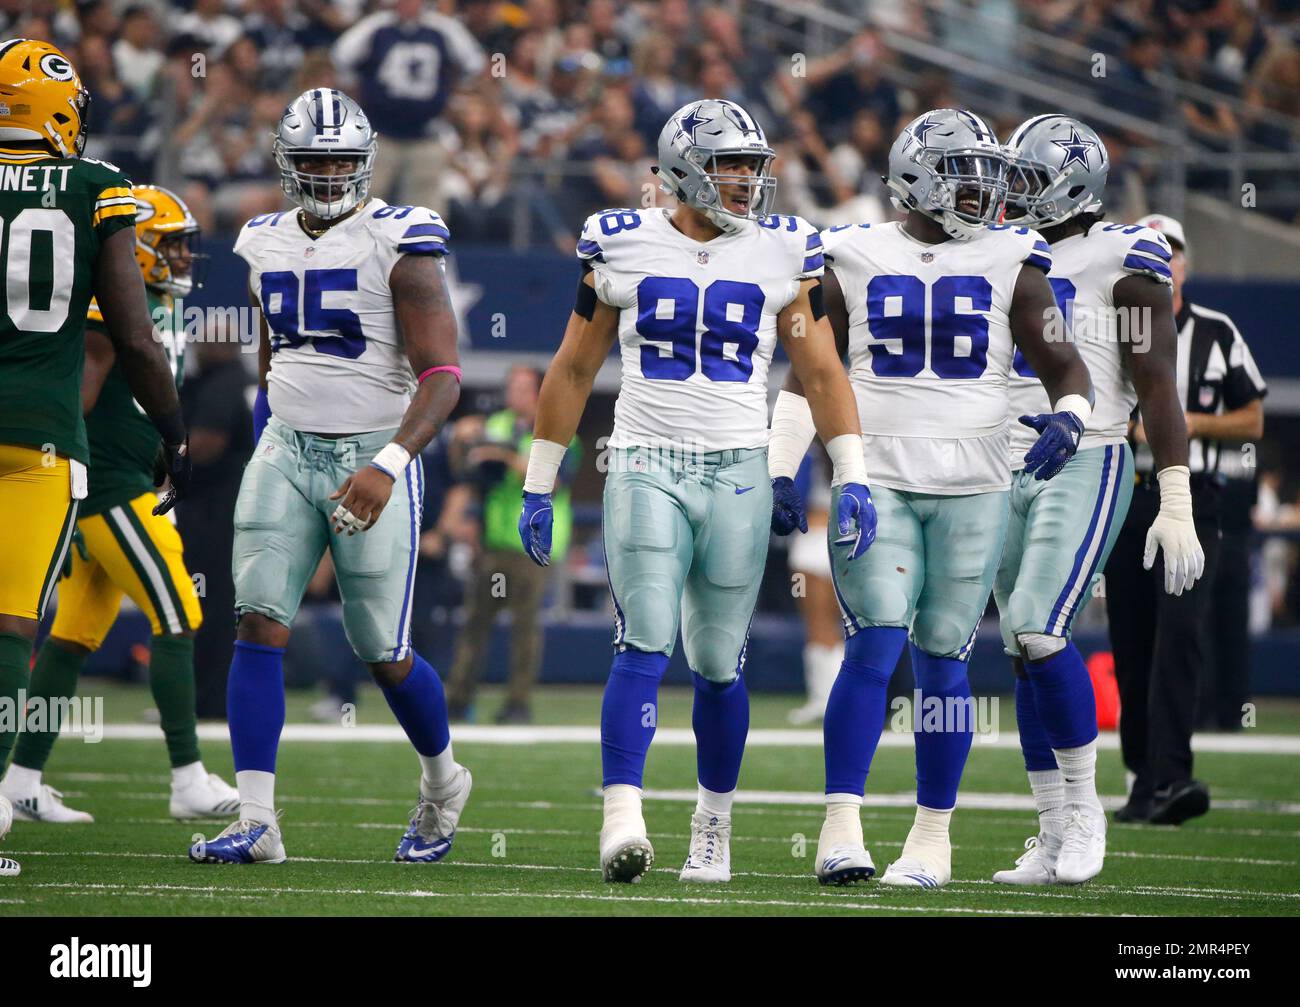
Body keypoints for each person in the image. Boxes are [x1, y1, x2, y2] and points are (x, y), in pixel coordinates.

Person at [518, 98, 875, 884]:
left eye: (752, 165)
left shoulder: (784, 249)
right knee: (644, 634)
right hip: (645, 460)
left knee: (718, 662)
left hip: (740, 469)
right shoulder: (623, 243)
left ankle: (712, 826)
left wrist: (848, 469)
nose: (747, 181)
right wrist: (541, 481)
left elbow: (818, 369)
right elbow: (574, 367)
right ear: (683, 168)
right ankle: (622, 815)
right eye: (729, 165)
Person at [771, 108, 1095, 889]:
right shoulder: (849, 252)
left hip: (975, 487)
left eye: (989, 173)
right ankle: (841, 825)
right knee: (877, 645)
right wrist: (782, 466)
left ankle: (931, 838)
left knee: (945, 660)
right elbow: (808, 373)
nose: (984, 191)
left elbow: (1065, 363)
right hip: (874, 480)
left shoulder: (1015, 256)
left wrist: (1073, 416)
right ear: (915, 174)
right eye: (964, 173)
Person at [191, 88, 468, 866]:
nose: (326, 172)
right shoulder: (261, 241)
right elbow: (272, 357)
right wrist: (264, 444)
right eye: (312, 159)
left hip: (374, 448)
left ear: (366, 162)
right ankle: (257, 820)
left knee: (382, 648)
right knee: (258, 618)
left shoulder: (400, 239)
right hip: (286, 443)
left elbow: (444, 375)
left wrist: (388, 463)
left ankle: (444, 783)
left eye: (340, 160)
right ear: (286, 162)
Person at [991, 117, 1204, 887]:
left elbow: (1157, 387)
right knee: (1020, 651)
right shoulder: (1006, 250)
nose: (1011, 192)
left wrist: (1173, 496)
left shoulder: (1128, 256)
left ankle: (1084, 814)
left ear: (1069, 181)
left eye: (1025, 177)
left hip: (1090, 454)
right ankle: (1050, 833)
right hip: (1000, 462)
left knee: (1038, 627)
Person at [0, 39, 191, 878]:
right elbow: (136, 340)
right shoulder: (95, 185)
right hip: (40, 437)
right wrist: (174, 432)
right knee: (12, 626)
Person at [2, 185, 238, 824]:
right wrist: (63, 479)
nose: (185, 257)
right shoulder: (114, 308)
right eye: (171, 244)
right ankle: (188, 777)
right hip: (110, 489)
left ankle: (20, 779)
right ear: (134, 248)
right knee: (178, 612)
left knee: (72, 638)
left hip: (115, 482)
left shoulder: (159, 303)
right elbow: (83, 388)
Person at [1106, 213, 1266, 827]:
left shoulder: (1215, 332)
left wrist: (1189, 425)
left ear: (1184, 265)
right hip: (1127, 491)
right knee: (1131, 637)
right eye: (1149, 250)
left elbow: (1252, 418)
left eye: (1169, 251)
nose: (1161, 261)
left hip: (1194, 494)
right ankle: (1144, 775)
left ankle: (1171, 775)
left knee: (1179, 632)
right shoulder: (1111, 323)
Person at [446, 366, 579, 724]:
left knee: (525, 628)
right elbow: (468, 475)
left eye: (523, 388)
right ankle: (457, 699)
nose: (514, 394)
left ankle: (518, 703)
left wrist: (507, 458)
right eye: (512, 387)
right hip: (494, 541)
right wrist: (462, 441)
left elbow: (557, 482)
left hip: (534, 546)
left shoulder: (558, 425)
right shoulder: (497, 426)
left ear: (539, 391)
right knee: (475, 623)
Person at [331, 0, 486, 214]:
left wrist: (456, 97)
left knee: (424, 209)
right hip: (379, 132)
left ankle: (419, 248)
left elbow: (475, 63)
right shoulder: (376, 27)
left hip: (427, 133)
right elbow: (340, 57)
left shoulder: (443, 29)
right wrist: (354, 95)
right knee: (363, 202)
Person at [786, 449, 843, 725]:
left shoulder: (809, 447)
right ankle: (836, 700)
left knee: (818, 625)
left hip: (814, 540)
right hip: (855, 537)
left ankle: (825, 699)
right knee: (855, 628)